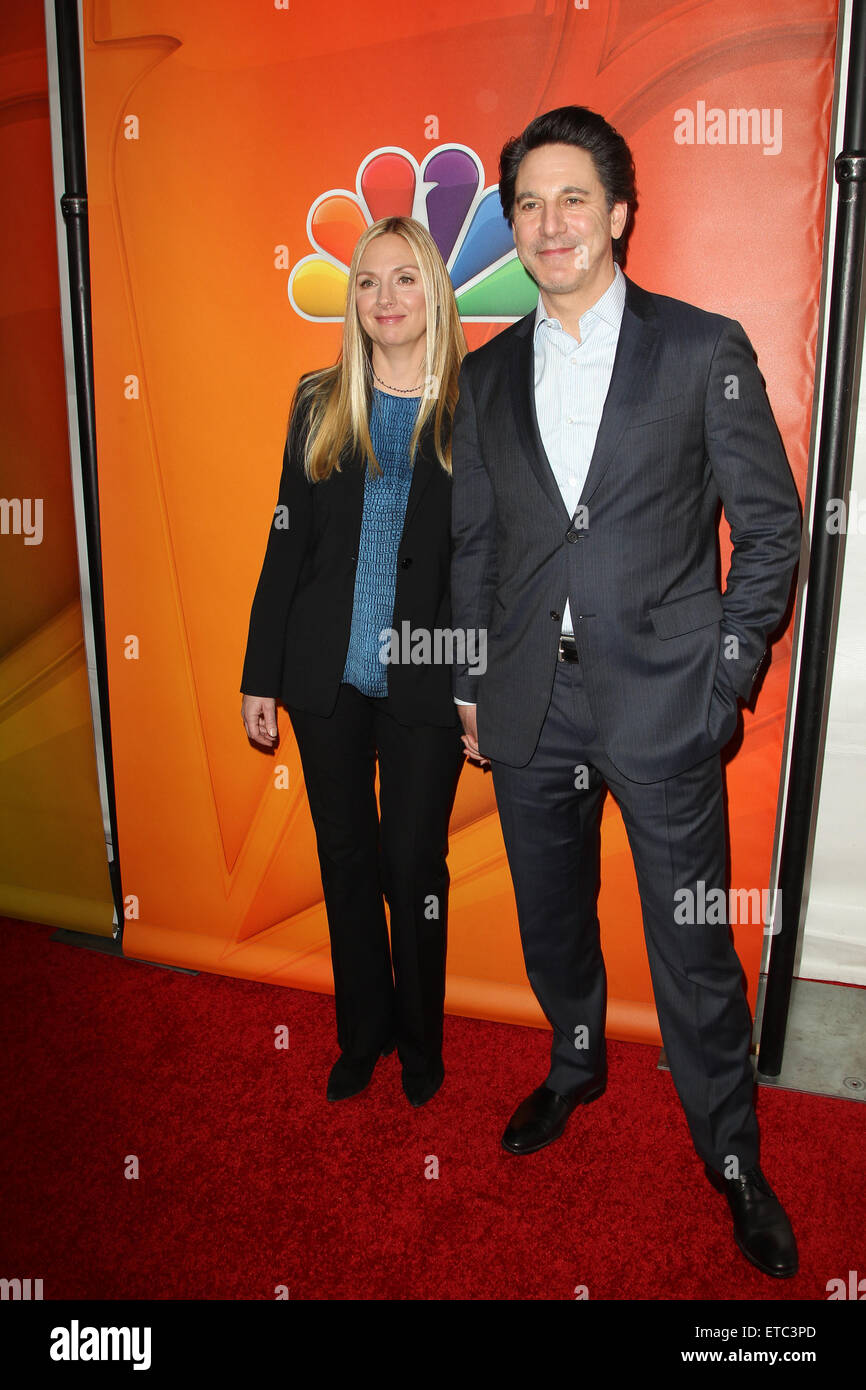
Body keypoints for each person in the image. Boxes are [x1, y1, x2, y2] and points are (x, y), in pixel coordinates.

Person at [450, 107, 802, 1277]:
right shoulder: (486, 370)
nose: (548, 224)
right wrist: (466, 679)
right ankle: (575, 1059)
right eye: (528, 205)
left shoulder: (702, 350)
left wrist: (727, 680)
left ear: (617, 215)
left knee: (691, 949)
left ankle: (733, 1155)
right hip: (527, 710)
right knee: (552, 918)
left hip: (663, 705)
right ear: (514, 229)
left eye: (570, 199)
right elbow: (473, 547)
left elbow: (769, 532)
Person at [241, 216, 466, 1108]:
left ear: (435, 293)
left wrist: (473, 677)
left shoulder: (473, 405)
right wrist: (262, 670)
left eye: (405, 280)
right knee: (345, 859)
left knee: (413, 868)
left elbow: (487, 560)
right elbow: (286, 543)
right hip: (322, 677)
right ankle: (362, 1032)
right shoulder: (317, 399)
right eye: (368, 282)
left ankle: (421, 1042)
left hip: (426, 677)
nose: (385, 300)